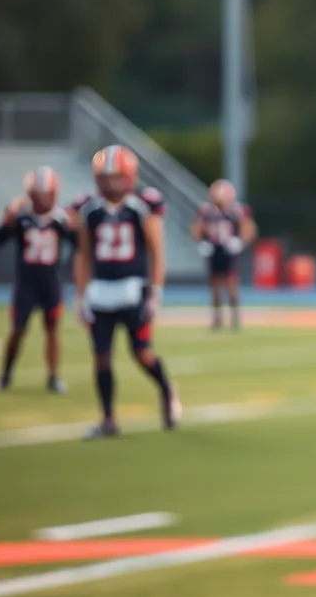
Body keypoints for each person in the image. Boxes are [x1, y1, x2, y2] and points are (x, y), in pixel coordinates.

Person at [71, 145, 181, 438]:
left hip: (134, 290)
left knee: (142, 354)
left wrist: (155, 293)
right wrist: (80, 296)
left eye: (116, 177)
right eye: (105, 178)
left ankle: (167, 390)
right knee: (101, 356)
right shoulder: (89, 210)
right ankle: (108, 419)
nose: (111, 184)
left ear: (130, 177)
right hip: (101, 292)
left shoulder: (142, 206)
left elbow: (157, 252)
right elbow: (82, 255)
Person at [0, 166, 76, 393]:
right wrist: (9, 214)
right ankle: (6, 374)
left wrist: (74, 225)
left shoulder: (59, 219)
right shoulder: (21, 218)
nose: (42, 199)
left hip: (51, 283)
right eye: (39, 194)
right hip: (26, 283)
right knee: (17, 330)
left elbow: (78, 243)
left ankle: (53, 377)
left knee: (52, 329)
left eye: (46, 193)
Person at [191, 178, 257, 331]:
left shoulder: (237, 210)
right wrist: (201, 242)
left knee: (231, 284)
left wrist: (240, 242)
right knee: (214, 286)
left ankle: (235, 317)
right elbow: (197, 229)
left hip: (229, 250)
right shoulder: (206, 210)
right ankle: (217, 318)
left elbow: (249, 229)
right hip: (215, 249)